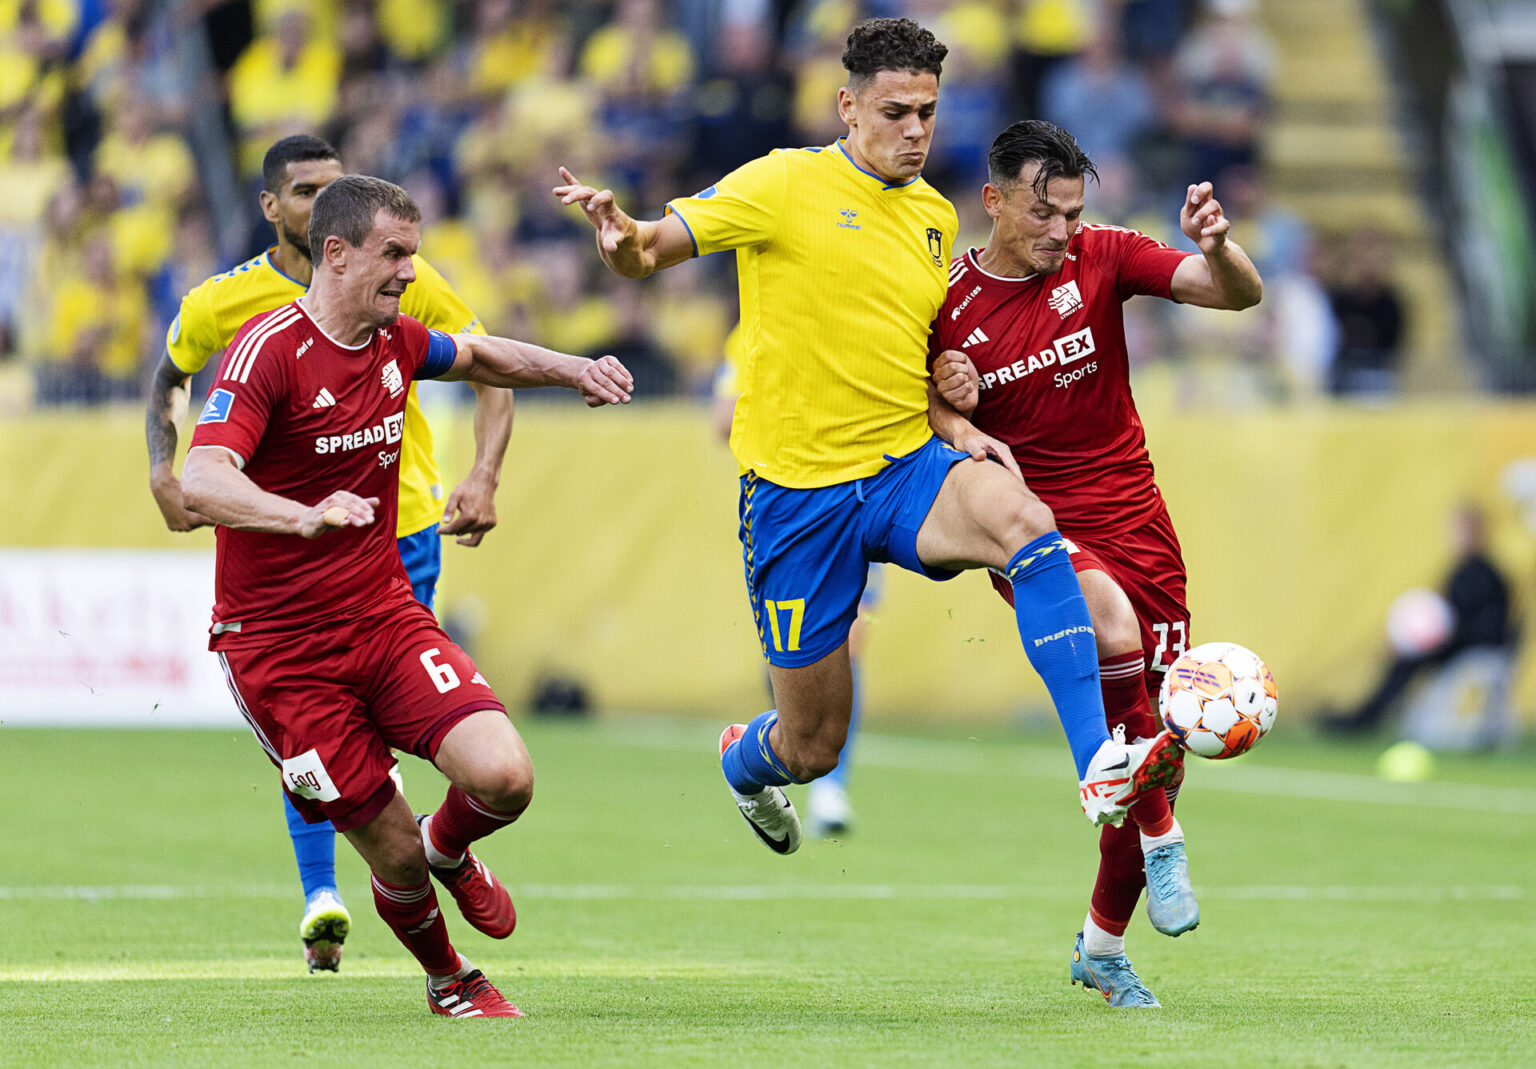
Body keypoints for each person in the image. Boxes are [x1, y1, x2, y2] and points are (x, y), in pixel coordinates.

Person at [556, 17, 1184, 860]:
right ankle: (746, 760)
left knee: (1024, 519)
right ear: (847, 106)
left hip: (902, 467)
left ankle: (1097, 762)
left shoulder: (933, 219)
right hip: (796, 497)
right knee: (812, 745)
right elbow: (650, 250)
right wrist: (621, 239)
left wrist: (953, 401)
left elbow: (917, 352)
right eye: (895, 112)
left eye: (927, 111)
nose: (916, 130)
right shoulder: (779, 183)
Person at [180, 174, 632, 1018]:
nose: (408, 273)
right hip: (279, 654)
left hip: (383, 616)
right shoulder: (268, 352)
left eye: (413, 256)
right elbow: (202, 475)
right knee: (389, 853)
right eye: (395, 255)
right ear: (338, 251)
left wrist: (575, 369)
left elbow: (482, 354)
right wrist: (302, 515)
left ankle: (450, 844)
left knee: (506, 776)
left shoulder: (393, 339)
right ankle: (449, 976)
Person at [144, 135, 515, 974]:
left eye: (333, 186)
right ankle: (328, 889)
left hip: (400, 530)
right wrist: (163, 465)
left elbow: (489, 360)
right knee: (331, 739)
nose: (322, 200)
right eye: (305, 190)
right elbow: (169, 374)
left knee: (441, 741)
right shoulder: (226, 305)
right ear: (274, 209)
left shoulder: (404, 280)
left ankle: (437, 849)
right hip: (288, 548)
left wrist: (485, 471)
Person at [928, 119, 1263, 1007]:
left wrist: (1220, 248)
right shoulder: (946, 302)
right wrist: (951, 410)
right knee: (1105, 618)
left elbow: (1236, 296)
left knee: (1159, 741)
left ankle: (1102, 947)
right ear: (993, 201)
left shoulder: (1104, 256)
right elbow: (909, 409)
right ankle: (1163, 837)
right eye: (1045, 215)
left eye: (1073, 214)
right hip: (1033, 530)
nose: (1061, 232)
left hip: (1141, 524)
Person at [1321, 504, 1514, 738]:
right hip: (1456, 644)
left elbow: (1486, 627)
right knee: (1404, 657)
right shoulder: (1459, 571)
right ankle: (1366, 716)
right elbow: (1444, 614)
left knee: (1407, 659)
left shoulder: (1487, 575)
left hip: (1476, 648)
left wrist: (1434, 640)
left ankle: (1365, 719)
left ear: (1477, 531)